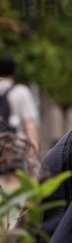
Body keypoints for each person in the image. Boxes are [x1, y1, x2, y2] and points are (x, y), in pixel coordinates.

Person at [0, 54, 40, 189]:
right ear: (13, 71)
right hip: (16, 147)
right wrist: (33, 146)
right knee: (14, 188)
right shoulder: (21, 91)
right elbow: (29, 122)